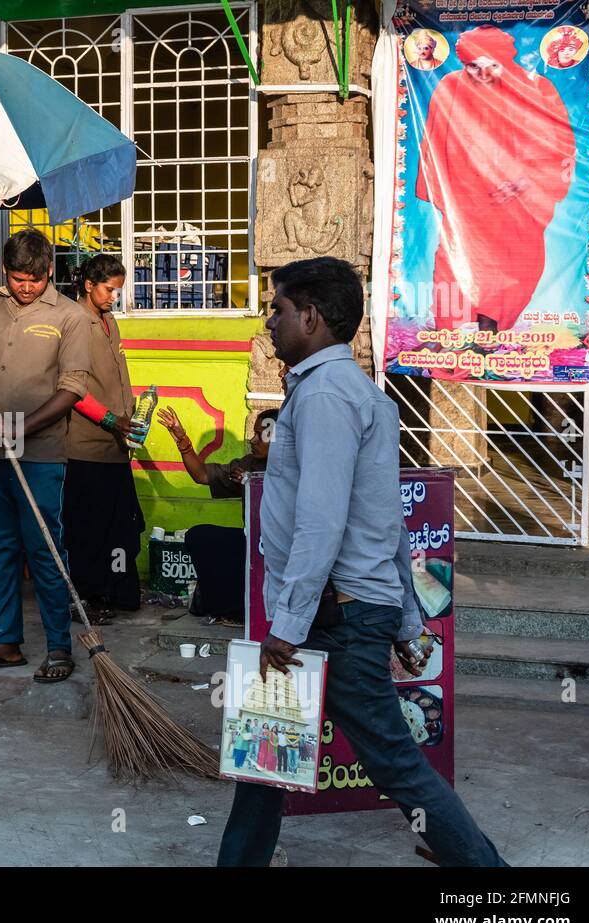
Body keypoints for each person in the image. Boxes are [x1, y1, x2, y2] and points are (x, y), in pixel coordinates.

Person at [216, 256, 506, 867]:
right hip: (339, 612)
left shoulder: (324, 398)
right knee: (267, 755)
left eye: (279, 309)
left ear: (312, 317)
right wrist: (404, 619)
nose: (270, 323)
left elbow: (322, 523)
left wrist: (287, 629)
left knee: (394, 763)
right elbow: (387, 524)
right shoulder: (352, 393)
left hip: (333, 619)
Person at [0, 228, 91, 684]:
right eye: (16, 278)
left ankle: (59, 648)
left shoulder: (70, 317)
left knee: (44, 549)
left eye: (34, 278)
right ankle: (6, 642)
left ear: (50, 271)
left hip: (40, 452)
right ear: (4, 273)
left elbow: (73, 390)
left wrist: (20, 428)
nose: (25, 287)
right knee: (0, 548)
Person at [417, 26, 574, 344]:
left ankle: (489, 335)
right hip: (465, 204)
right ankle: (451, 339)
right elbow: (432, 143)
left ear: (506, 61)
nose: (483, 74)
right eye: (474, 66)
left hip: (514, 207)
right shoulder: (449, 87)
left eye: (492, 66)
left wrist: (526, 181)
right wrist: (445, 194)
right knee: (451, 266)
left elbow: (559, 146)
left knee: (507, 273)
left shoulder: (536, 89)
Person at [63, 254, 145, 620]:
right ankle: (87, 599)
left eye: (118, 291)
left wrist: (134, 413)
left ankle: (115, 593)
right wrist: (111, 419)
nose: (114, 296)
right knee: (89, 530)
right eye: (109, 289)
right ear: (88, 285)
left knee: (121, 526)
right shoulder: (75, 321)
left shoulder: (109, 321)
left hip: (116, 446)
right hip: (86, 447)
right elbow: (73, 387)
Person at [155, 407, 280, 624]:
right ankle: (230, 610)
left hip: (284, 549)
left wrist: (255, 483)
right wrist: (182, 440)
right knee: (200, 537)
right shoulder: (249, 464)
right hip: (252, 542)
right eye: (254, 433)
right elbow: (202, 474)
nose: (253, 440)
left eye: (261, 434)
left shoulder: (300, 466)